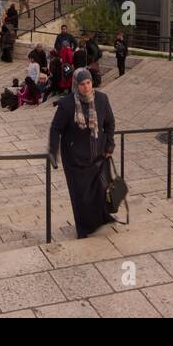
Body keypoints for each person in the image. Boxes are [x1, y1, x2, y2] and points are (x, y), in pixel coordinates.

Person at [49, 68, 117, 238]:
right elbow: (56, 129)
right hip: (75, 159)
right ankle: (85, 229)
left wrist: (110, 146)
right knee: (81, 196)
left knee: (100, 191)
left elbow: (109, 124)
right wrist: (52, 151)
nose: (86, 87)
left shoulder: (102, 99)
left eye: (88, 83)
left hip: (98, 155)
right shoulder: (67, 105)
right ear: (76, 85)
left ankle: (102, 219)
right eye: (82, 84)